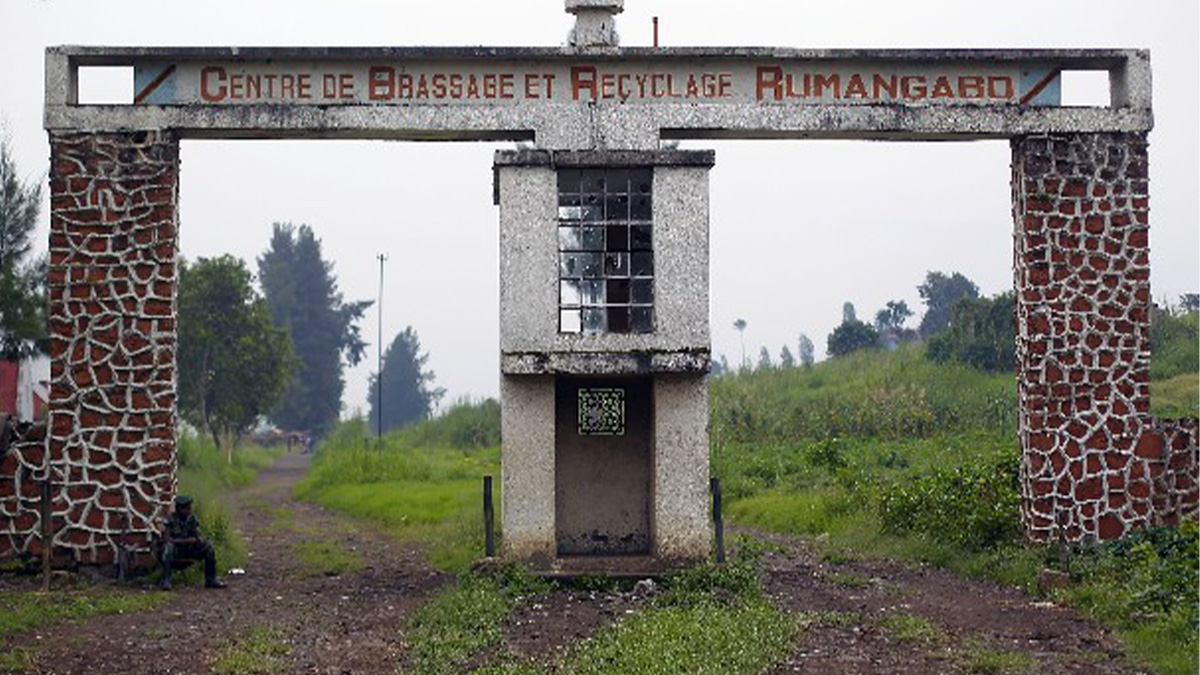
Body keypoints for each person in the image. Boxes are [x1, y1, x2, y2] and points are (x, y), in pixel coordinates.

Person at [160, 495, 226, 590]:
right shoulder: (170, 519)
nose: (188, 511)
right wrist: (183, 541)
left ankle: (211, 579)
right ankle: (166, 580)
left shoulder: (192, 519)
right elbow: (166, 538)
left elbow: (197, 534)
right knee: (168, 547)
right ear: (178, 509)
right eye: (186, 508)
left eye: (189, 508)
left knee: (208, 547)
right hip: (176, 551)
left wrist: (198, 540)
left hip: (189, 550)